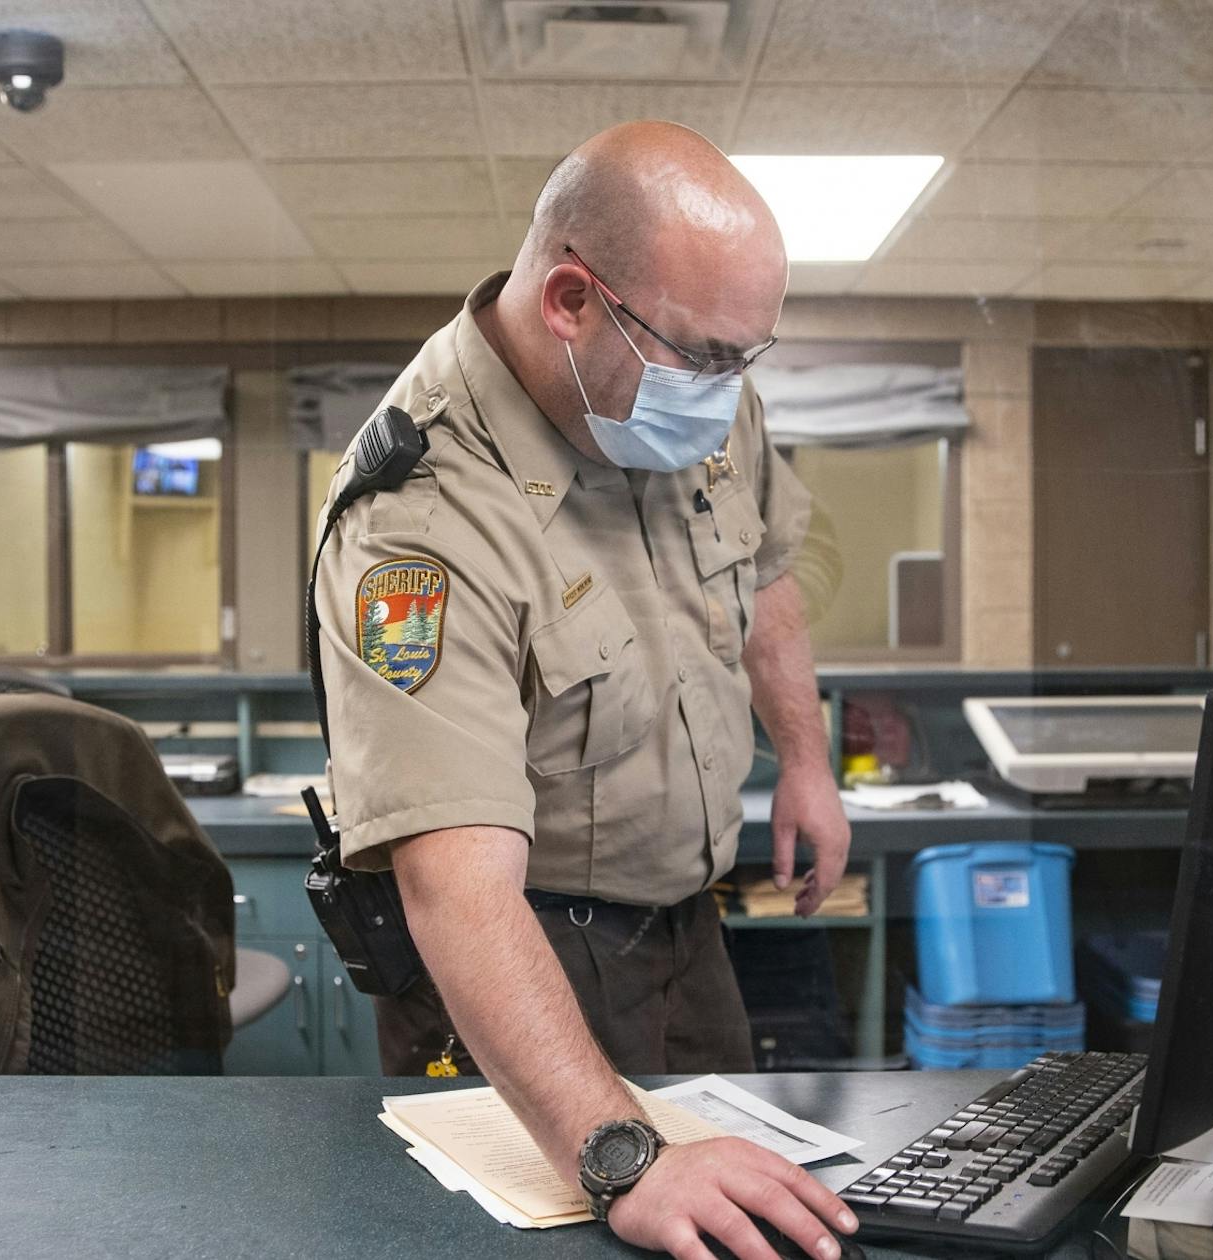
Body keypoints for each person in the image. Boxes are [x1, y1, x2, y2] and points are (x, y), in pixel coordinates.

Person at [314, 120, 856, 1260]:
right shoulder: (417, 526)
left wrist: (803, 758)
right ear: (569, 298)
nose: (728, 393)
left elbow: (763, 573)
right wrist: (623, 1157)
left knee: (749, 1230)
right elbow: (457, 890)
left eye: (747, 360)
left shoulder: (693, 384)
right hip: (521, 962)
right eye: (709, 358)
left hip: (687, 933)